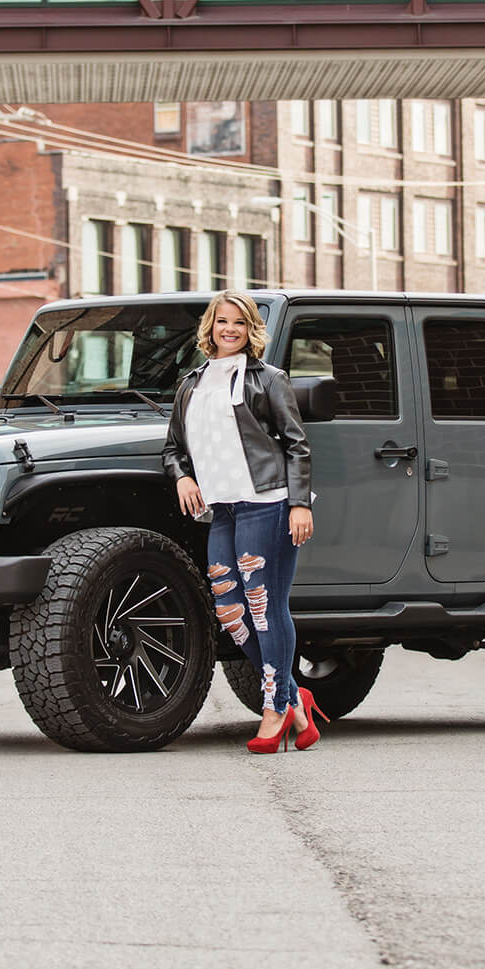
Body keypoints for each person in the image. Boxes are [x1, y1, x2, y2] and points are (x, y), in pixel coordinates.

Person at [161, 290, 328, 752]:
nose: (229, 329)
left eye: (238, 322)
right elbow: (173, 447)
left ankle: (274, 709)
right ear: (209, 329)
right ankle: (296, 699)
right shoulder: (192, 383)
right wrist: (182, 479)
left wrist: (299, 503)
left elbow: (297, 444)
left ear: (250, 328)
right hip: (222, 509)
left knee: (264, 606)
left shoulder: (268, 378)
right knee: (231, 614)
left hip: (268, 502)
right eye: (221, 322)